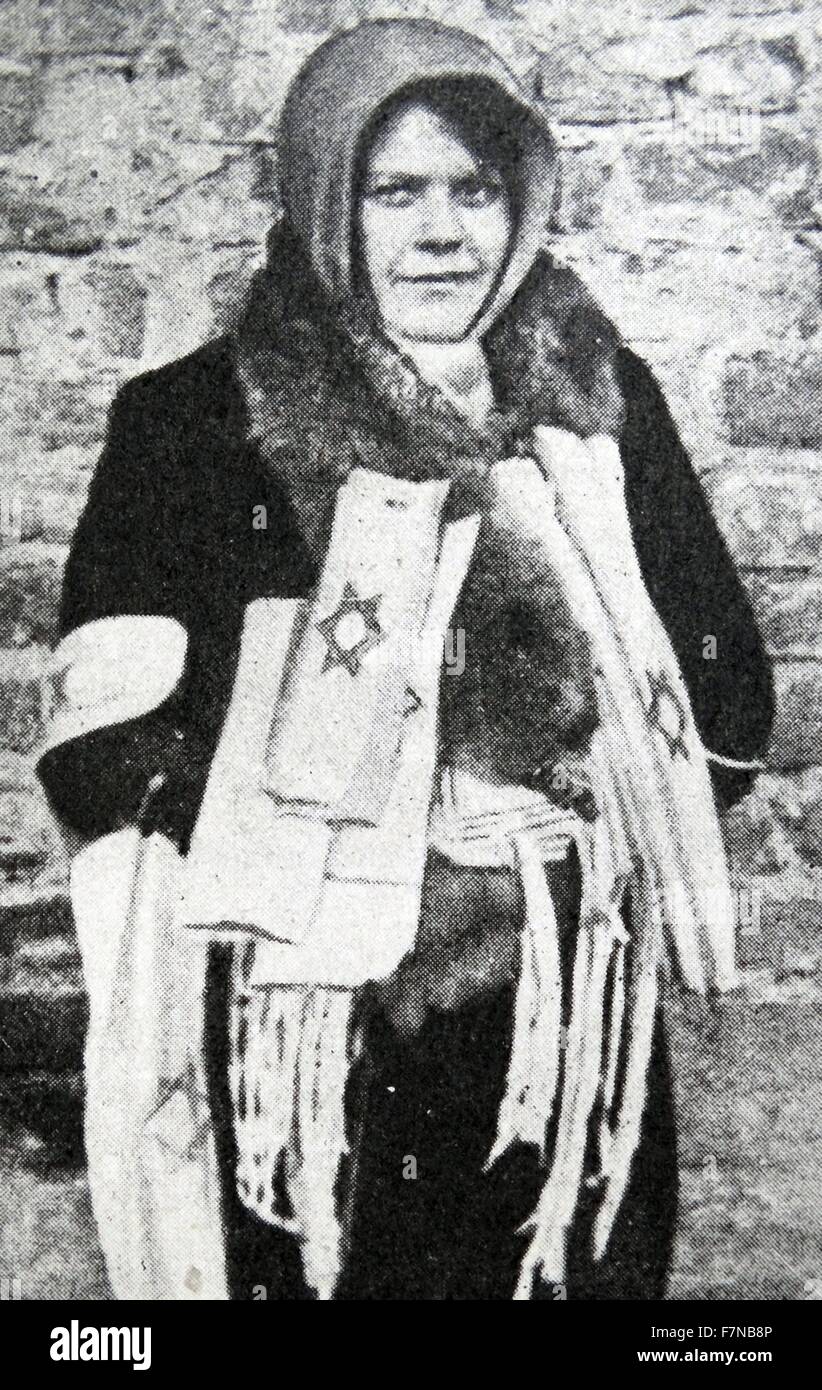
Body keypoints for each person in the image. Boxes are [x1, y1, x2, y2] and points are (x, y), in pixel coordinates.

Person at [37, 18, 773, 1301]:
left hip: (558, 982)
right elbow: (102, 748)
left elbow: (724, 692)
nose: (442, 232)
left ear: (522, 202)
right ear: (332, 201)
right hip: (313, 1016)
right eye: (396, 191)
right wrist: (298, 825)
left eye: (474, 191)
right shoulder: (195, 423)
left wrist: (586, 810)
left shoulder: (600, 406)